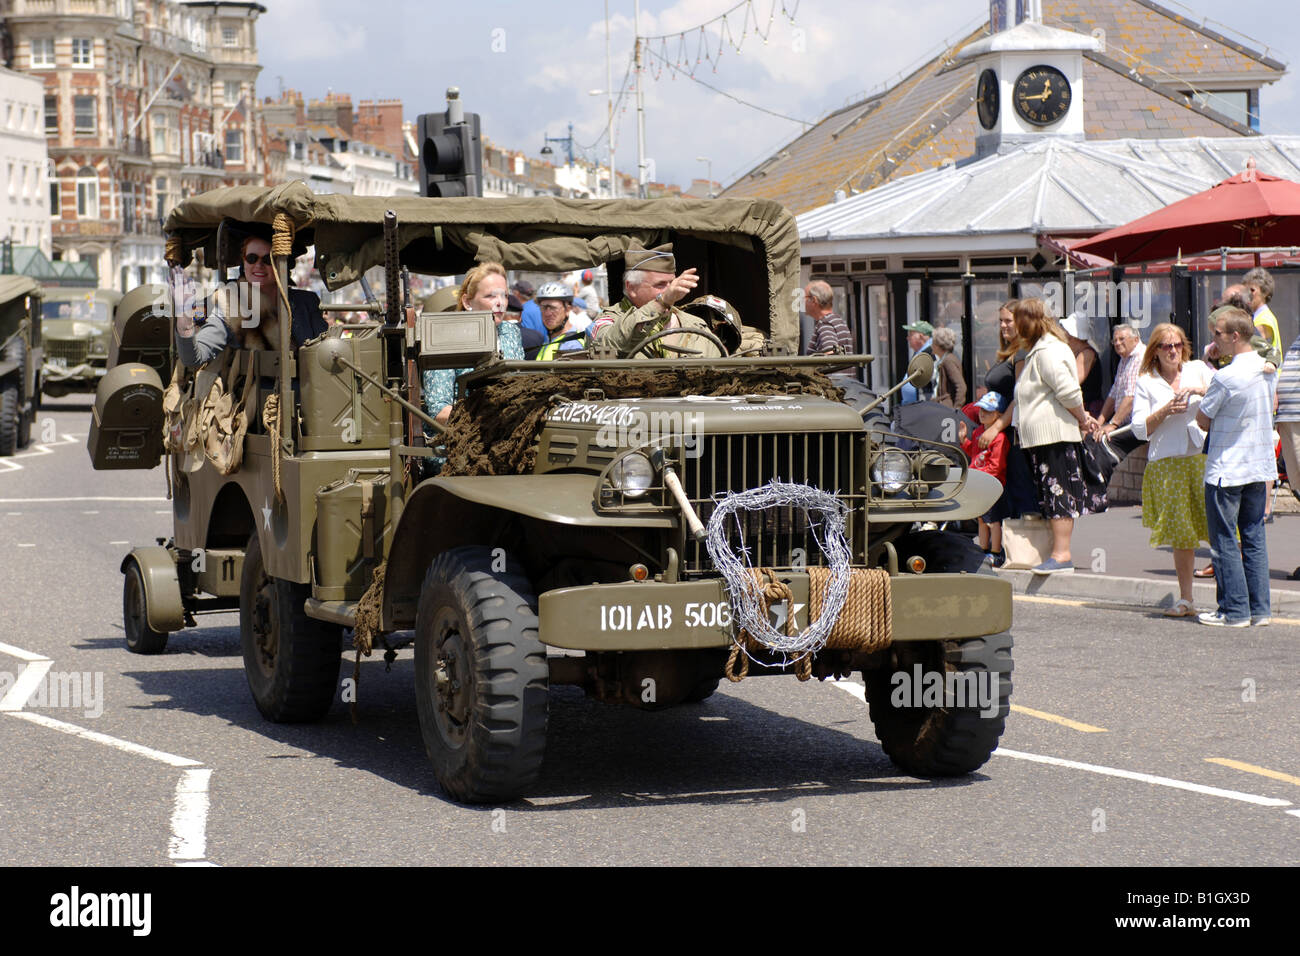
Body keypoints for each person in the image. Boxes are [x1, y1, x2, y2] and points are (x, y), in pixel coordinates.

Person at [1194, 306, 1277, 626]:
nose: (1213, 340)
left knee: (1225, 541)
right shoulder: (1266, 368)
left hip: (1227, 468)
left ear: (1235, 336)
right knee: (1254, 539)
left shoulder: (1226, 377)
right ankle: (1259, 610)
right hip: (1258, 466)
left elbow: (1203, 420)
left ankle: (1234, 610)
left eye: (1218, 334)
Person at [1013, 298, 1104, 574]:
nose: (1017, 328)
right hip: (1046, 436)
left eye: (1020, 321)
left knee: (1058, 493)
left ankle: (1062, 555)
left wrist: (1081, 417)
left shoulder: (1049, 350)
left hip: (1055, 435)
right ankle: (1057, 553)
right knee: (1052, 494)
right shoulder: (1042, 349)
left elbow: (1067, 391)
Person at [1130, 322, 1215, 617]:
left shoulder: (1198, 370)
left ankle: (1230, 598)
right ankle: (1186, 598)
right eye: (1166, 346)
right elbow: (1140, 429)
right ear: (1155, 351)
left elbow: (1224, 394)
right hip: (1167, 463)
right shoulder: (1146, 380)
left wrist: (1199, 390)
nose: (1173, 351)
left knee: (1217, 529)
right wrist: (1166, 410)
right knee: (1182, 535)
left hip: (1200, 458)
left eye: (1177, 344)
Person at [176, 230, 327, 368]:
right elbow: (194, 359)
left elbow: (327, 351)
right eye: (252, 258)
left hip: (312, 392)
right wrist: (184, 325)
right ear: (244, 262)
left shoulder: (306, 302)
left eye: (268, 260)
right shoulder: (230, 305)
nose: (259, 265)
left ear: (282, 264)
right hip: (257, 395)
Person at [421, 262, 524, 431]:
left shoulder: (511, 332)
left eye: (504, 295)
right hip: (456, 439)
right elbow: (438, 410)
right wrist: (489, 418)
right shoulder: (445, 337)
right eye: (490, 296)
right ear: (468, 302)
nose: (500, 303)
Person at [588, 243, 723, 358]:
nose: (672, 290)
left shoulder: (696, 326)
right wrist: (661, 302)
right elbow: (608, 346)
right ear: (632, 287)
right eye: (660, 284)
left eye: (673, 282)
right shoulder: (608, 321)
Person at [962, 390, 1011, 566]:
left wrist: (979, 474)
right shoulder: (977, 433)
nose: (982, 413)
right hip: (979, 482)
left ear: (998, 415)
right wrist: (964, 441)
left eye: (988, 411)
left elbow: (997, 466)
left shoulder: (999, 438)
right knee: (982, 520)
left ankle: (995, 551)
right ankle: (983, 549)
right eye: (981, 410)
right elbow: (975, 454)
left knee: (993, 521)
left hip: (992, 485)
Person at [1097, 323, 1145, 451]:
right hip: (1124, 422)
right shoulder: (1124, 359)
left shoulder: (1140, 358)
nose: (1117, 343)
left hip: (1140, 424)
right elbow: (1114, 393)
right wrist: (1099, 422)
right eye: (1115, 340)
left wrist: (1113, 424)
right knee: (1096, 437)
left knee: (1105, 444)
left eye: (1121, 339)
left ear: (1136, 340)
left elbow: (1131, 397)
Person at [1060, 313, 1103, 416]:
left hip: (1088, 409)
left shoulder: (1086, 353)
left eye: (1064, 329)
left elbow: (1074, 381)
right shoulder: (1072, 352)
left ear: (1072, 335)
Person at [534, 282, 586, 360]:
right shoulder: (550, 339)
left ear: (568, 309)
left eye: (553, 308)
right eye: (543, 307)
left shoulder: (572, 345)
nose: (547, 313)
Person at [803, 280, 852, 353]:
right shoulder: (836, 321)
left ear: (813, 300)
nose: (803, 302)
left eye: (805, 298)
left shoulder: (825, 324)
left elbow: (830, 355)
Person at [899, 320, 935, 405]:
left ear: (921, 336)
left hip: (922, 405)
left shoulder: (930, 353)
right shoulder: (919, 352)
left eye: (911, 335)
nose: (907, 338)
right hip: (913, 405)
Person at [1244, 267, 1280, 348]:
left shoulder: (1265, 319)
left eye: (1252, 290)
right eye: (1245, 290)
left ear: (1265, 292)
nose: (1247, 294)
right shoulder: (1254, 315)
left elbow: (1249, 344)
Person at [932, 325, 967, 408]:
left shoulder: (948, 361)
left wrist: (956, 409)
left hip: (948, 410)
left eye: (933, 342)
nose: (931, 345)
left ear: (938, 345)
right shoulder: (944, 360)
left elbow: (961, 386)